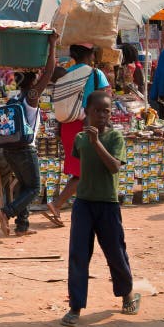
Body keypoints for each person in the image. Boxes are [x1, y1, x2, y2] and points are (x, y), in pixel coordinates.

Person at [61, 91, 140, 327]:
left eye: (106, 110)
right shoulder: (80, 139)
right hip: (84, 203)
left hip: (107, 203)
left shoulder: (115, 138)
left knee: (115, 252)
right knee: (78, 255)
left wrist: (96, 143)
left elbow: (114, 167)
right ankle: (75, 307)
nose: (102, 115)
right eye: (97, 110)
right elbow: (79, 170)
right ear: (87, 112)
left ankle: (127, 294)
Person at [0, 31, 58, 237]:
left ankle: (22, 226)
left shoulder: (14, 97)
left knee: (24, 186)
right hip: (25, 150)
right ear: (33, 81)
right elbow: (49, 72)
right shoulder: (32, 96)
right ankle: (7, 212)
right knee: (34, 188)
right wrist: (52, 45)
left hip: (11, 150)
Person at [45, 44, 110, 227]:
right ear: (90, 55)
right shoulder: (96, 74)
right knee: (84, 170)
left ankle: (87, 208)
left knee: (80, 168)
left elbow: (61, 103)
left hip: (67, 126)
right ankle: (57, 204)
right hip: (87, 125)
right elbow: (105, 101)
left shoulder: (67, 73)